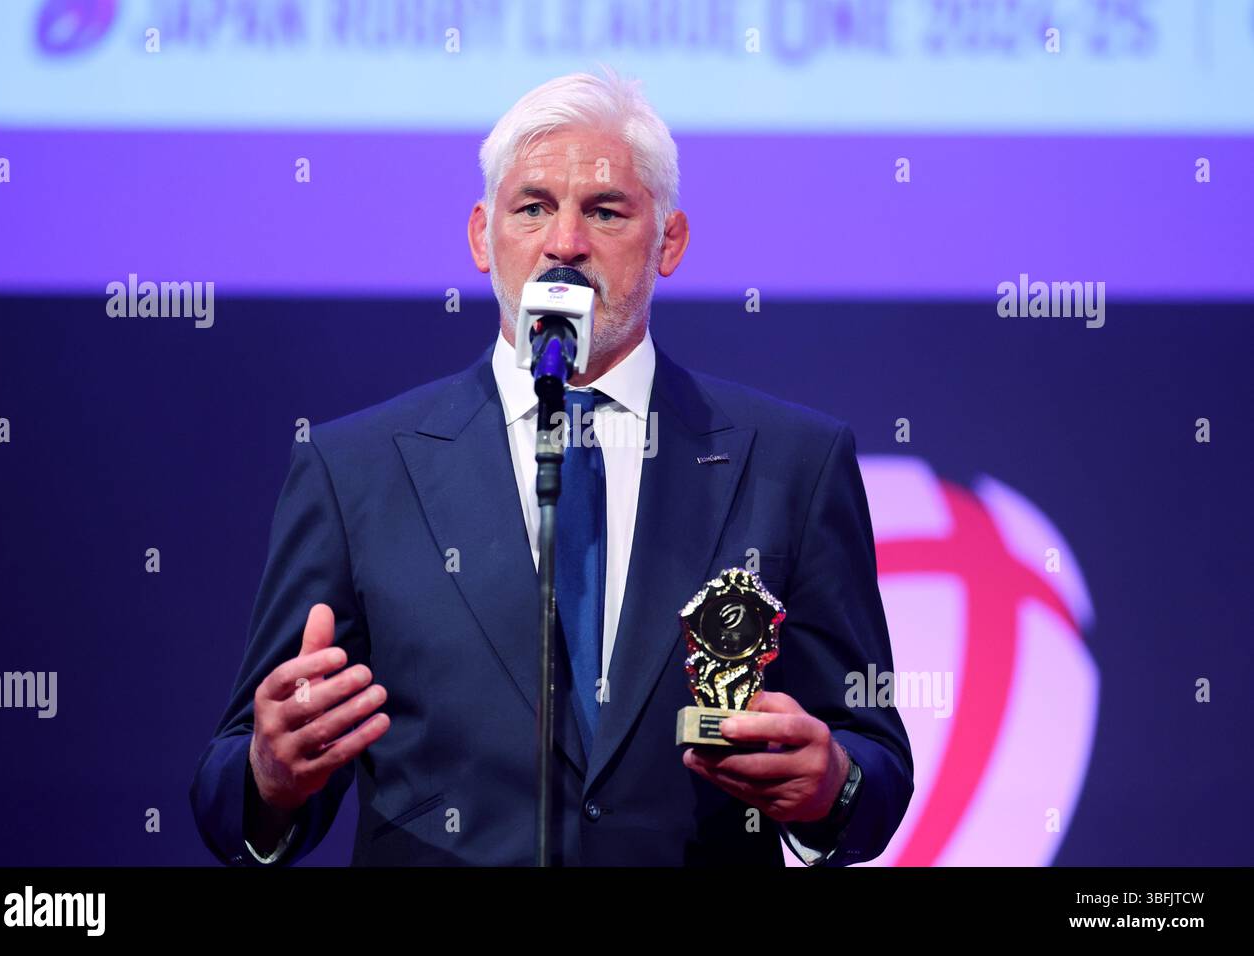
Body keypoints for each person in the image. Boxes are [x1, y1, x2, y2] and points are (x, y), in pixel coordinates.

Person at [189, 66, 913, 866]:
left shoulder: (793, 463)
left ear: (668, 241)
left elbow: (870, 755)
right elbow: (231, 787)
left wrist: (831, 787)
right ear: (480, 236)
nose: (565, 243)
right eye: (533, 207)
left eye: (605, 211)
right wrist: (269, 773)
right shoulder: (353, 470)